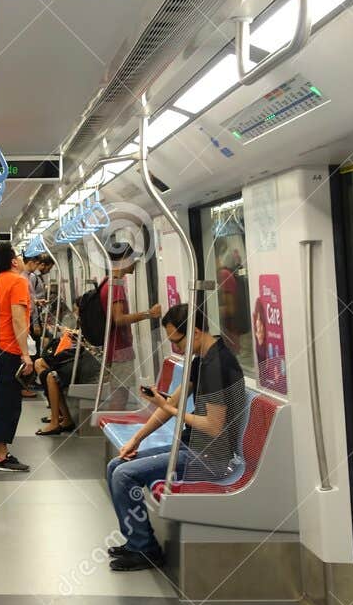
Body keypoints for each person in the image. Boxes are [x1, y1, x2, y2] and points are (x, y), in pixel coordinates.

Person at [104, 303, 251, 571]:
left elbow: (214, 426)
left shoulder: (218, 365)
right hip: (191, 446)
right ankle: (136, 542)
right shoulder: (201, 360)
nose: (176, 348)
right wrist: (136, 439)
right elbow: (172, 403)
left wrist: (171, 408)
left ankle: (146, 550)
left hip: (210, 457)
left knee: (124, 475)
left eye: (177, 341)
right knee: (116, 465)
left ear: (194, 332)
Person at [0, 242, 32, 473]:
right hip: (7, 349)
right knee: (7, 403)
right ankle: (1, 457)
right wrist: (25, 353)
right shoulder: (18, 281)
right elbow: (18, 319)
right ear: (13, 261)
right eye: (19, 256)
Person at [101, 241, 161, 409]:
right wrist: (149, 314)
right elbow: (119, 319)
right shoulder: (116, 285)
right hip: (119, 349)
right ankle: (113, 429)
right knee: (120, 397)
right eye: (132, 258)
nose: (134, 262)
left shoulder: (107, 282)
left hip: (115, 348)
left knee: (119, 394)